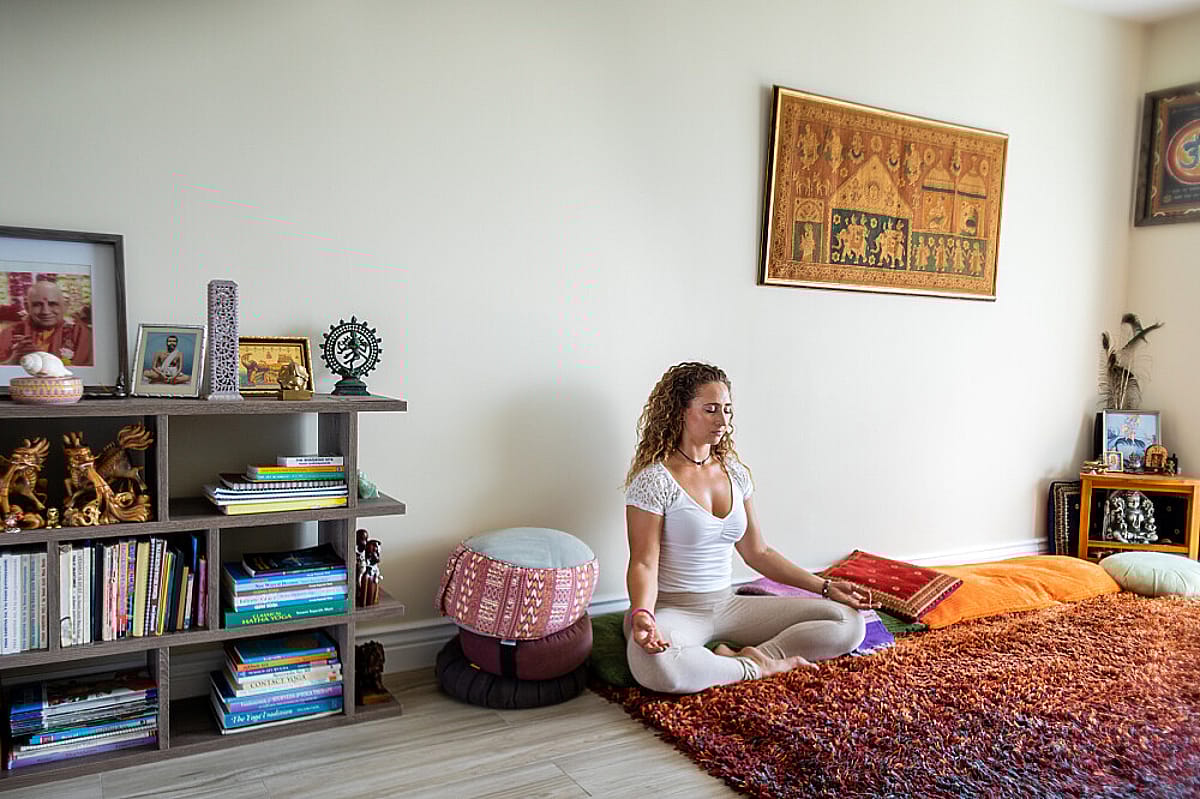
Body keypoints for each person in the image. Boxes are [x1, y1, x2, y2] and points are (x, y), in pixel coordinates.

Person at [623, 362, 877, 694]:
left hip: (729, 605)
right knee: (658, 667)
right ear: (680, 412)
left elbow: (758, 551)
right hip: (675, 608)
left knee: (848, 623)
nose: (723, 420)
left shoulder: (735, 473)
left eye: (727, 410)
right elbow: (643, 562)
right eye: (711, 409)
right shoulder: (654, 481)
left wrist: (826, 587)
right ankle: (754, 666)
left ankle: (755, 660)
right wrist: (642, 612)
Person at [0, 279, 92, 366]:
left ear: (65, 306)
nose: (45, 311)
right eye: (37, 305)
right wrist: (12, 360)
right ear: (27, 307)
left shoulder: (80, 334)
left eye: (53, 304)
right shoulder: (10, 333)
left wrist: (42, 357)